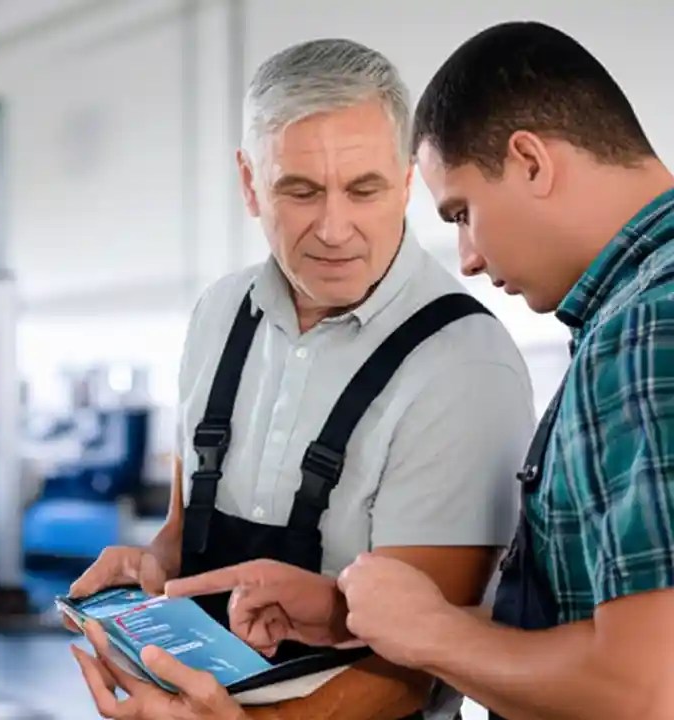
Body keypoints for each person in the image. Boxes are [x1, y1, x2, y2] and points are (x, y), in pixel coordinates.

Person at [169, 21, 674, 720]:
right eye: (302, 191)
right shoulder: (638, 316)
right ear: (252, 184)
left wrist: (432, 632)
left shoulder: (645, 330)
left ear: (530, 161)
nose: (465, 256)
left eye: (462, 212)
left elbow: (647, 692)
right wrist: (351, 613)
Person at [67, 38, 536, 720]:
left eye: (364, 189)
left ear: (407, 179)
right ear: (251, 184)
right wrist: (148, 575)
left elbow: (417, 663)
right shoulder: (218, 315)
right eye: (301, 190)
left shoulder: (464, 364)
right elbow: (182, 528)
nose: (334, 228)